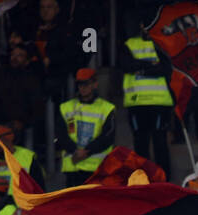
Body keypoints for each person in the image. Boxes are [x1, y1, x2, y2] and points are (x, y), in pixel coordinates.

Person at [121, 22, 172, 176]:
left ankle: (164, 180)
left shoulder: (164, 44)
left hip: (159, 101)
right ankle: (143, 181)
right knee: (140, 144)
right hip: (136, 102)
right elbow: (126, 65)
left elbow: (166, 67)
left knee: (160, 143)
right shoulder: (129, 44)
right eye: (145, 25)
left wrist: (141, 66)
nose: (147, 28)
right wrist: (151, 65)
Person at [56, 67, 116, 186]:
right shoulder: (66, 107)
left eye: (86, 84)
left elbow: (108, 137)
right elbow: (61, 135)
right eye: (80, 84)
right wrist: (76, 151)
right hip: (73, 168)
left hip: (96, 168)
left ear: (95, 84)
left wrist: (86, 152)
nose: (82, 87)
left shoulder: (107, 108)